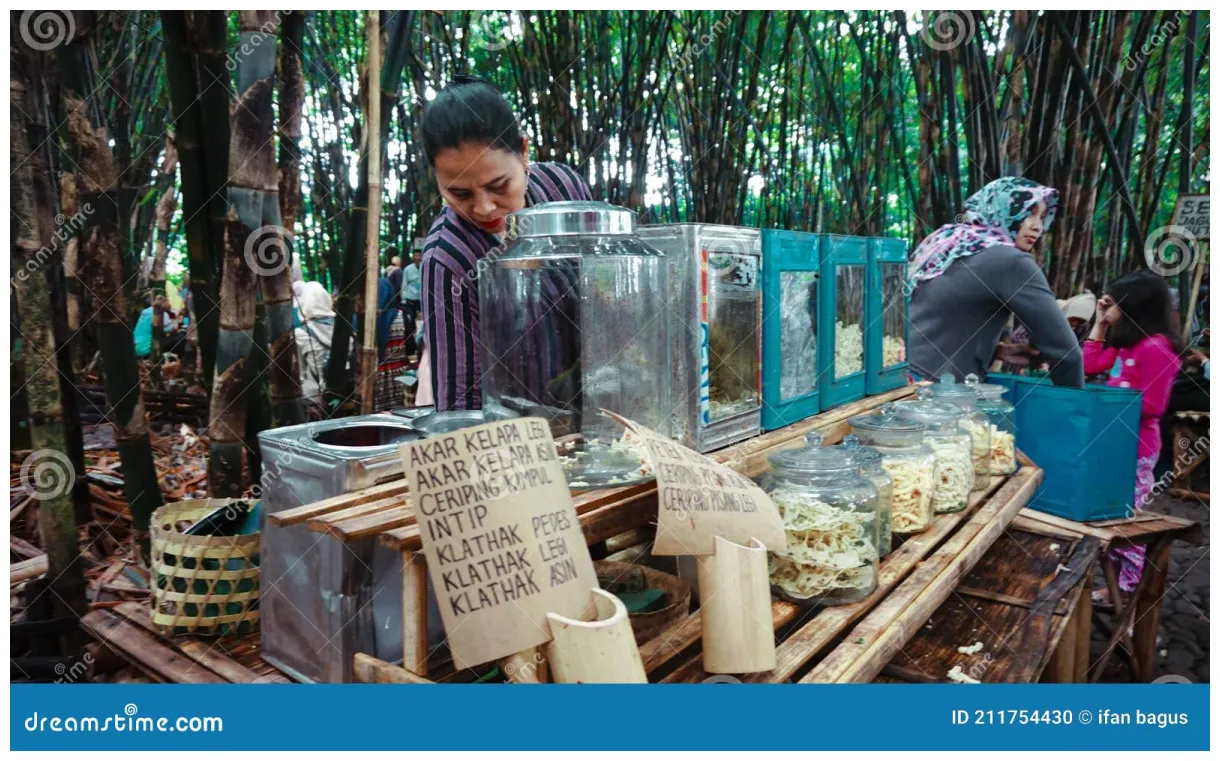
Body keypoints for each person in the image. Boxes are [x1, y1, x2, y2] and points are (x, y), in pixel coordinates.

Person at [418, 75, 592, 410]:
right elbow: (461, 399)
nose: (483, 208)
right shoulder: (448, 259)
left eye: (499, 185)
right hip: (515, 437)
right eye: (459, 193)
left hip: (601, 410)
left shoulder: (563, 189)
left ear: (524, 152)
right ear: (436, 180)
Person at [908, 177, 1084, 388]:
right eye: (1029, 213)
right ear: (1000, 208)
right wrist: (1077, 410)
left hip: (897, 377)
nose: (1037, 227)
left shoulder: (946, 243)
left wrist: (994, 351)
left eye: (1042, 217)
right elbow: (1067, 354)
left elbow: (942, 319)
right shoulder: (1012, 262)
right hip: (936, 393)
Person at [1083, 270, 1183, 599]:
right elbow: (1089, 364)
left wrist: (1106, 404)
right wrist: (1100, 323)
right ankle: (1116, 587)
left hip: (1136, 449)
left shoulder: (1156, 348)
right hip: (1115, 445)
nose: (1104, 306)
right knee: (1112, 514)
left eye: (1110, 304)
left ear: (1133, 308)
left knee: (1128, 522)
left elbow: (1153, 405)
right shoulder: (1130, 344)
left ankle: (1130, 590)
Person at [293, 281, 337, 408]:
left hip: (314, 397)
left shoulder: (301, 334)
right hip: (344, 393)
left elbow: (300, 374)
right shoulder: (345, 329)